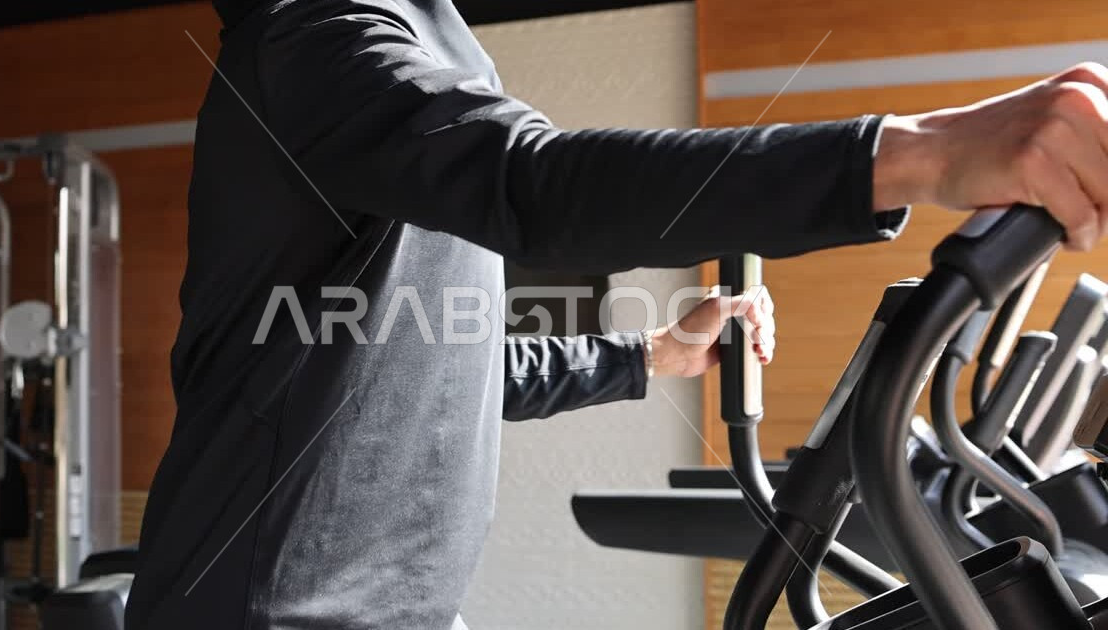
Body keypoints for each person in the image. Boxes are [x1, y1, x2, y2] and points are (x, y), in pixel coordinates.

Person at [124, 0, 1108, 627]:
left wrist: (649, 355)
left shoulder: (409, 36)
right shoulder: (315, 37)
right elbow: (538, 189)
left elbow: (437, 358)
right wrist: (923, 153)